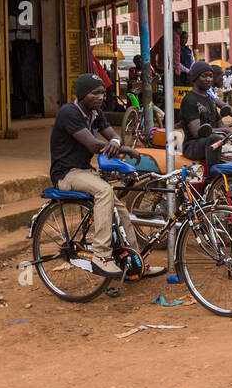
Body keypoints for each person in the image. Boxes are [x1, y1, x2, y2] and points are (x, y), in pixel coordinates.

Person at [50, 73, 162, 277]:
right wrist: (124, 149)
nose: (100, 97)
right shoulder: (69, 113)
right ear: (83, 94)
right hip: (66, 174)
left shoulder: (96, 113)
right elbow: (92, 145)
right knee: (104, 190)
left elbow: (114, 136)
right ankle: (101, 255)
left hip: (85, 172)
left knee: (122, 212)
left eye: (103, 93)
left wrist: (116, 143)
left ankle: (135, 263)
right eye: (95, 93)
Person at [179, 61, 232, 169]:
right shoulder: (189, 100)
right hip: (192, 146)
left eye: (211, 76)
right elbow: (197, 132)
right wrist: (223, 132)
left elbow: (220, 123)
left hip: (211, 141)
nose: (209, 79)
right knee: (214, 138)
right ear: (195, 78)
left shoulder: (209, 99)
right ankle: (212, 177)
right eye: (204, 76)